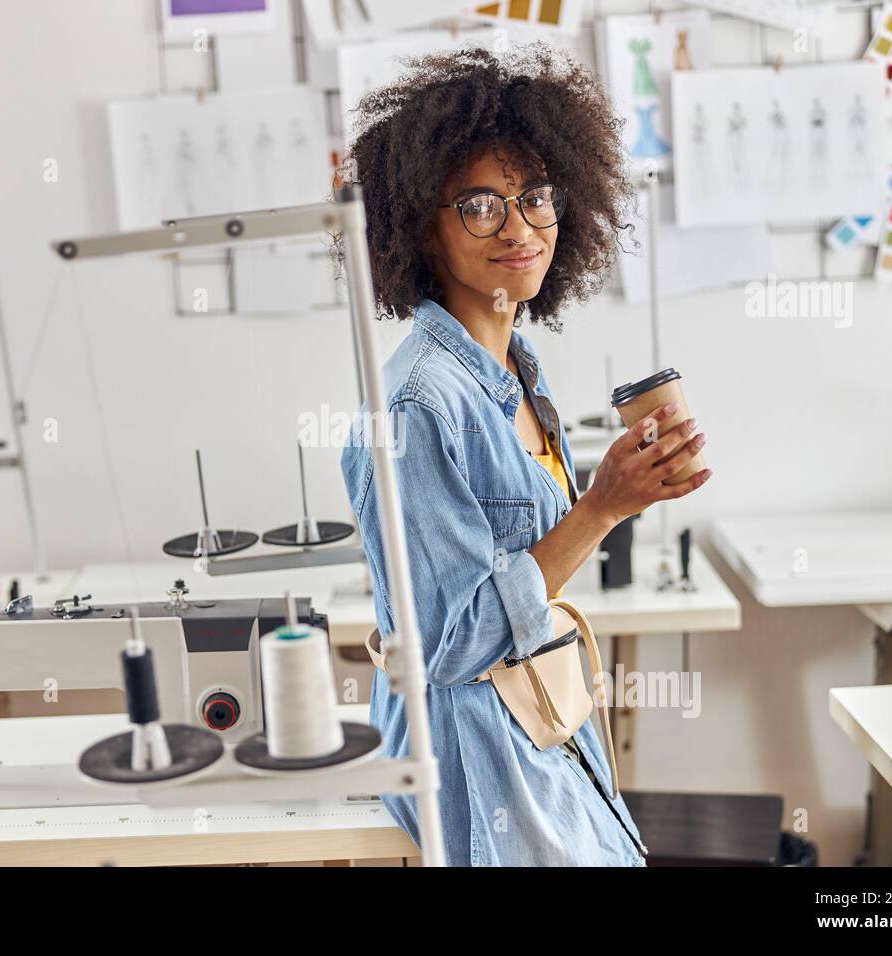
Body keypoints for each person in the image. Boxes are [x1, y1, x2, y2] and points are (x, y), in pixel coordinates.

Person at [339, 46, 711, 866]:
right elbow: (452, 644)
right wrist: (603, 508)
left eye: (535, 198)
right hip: (477, 756)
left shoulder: (518, 370)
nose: (519, 228)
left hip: (540, 720)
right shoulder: (415, 408)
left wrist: (629, 491)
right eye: (480, 206)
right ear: (418, 228)